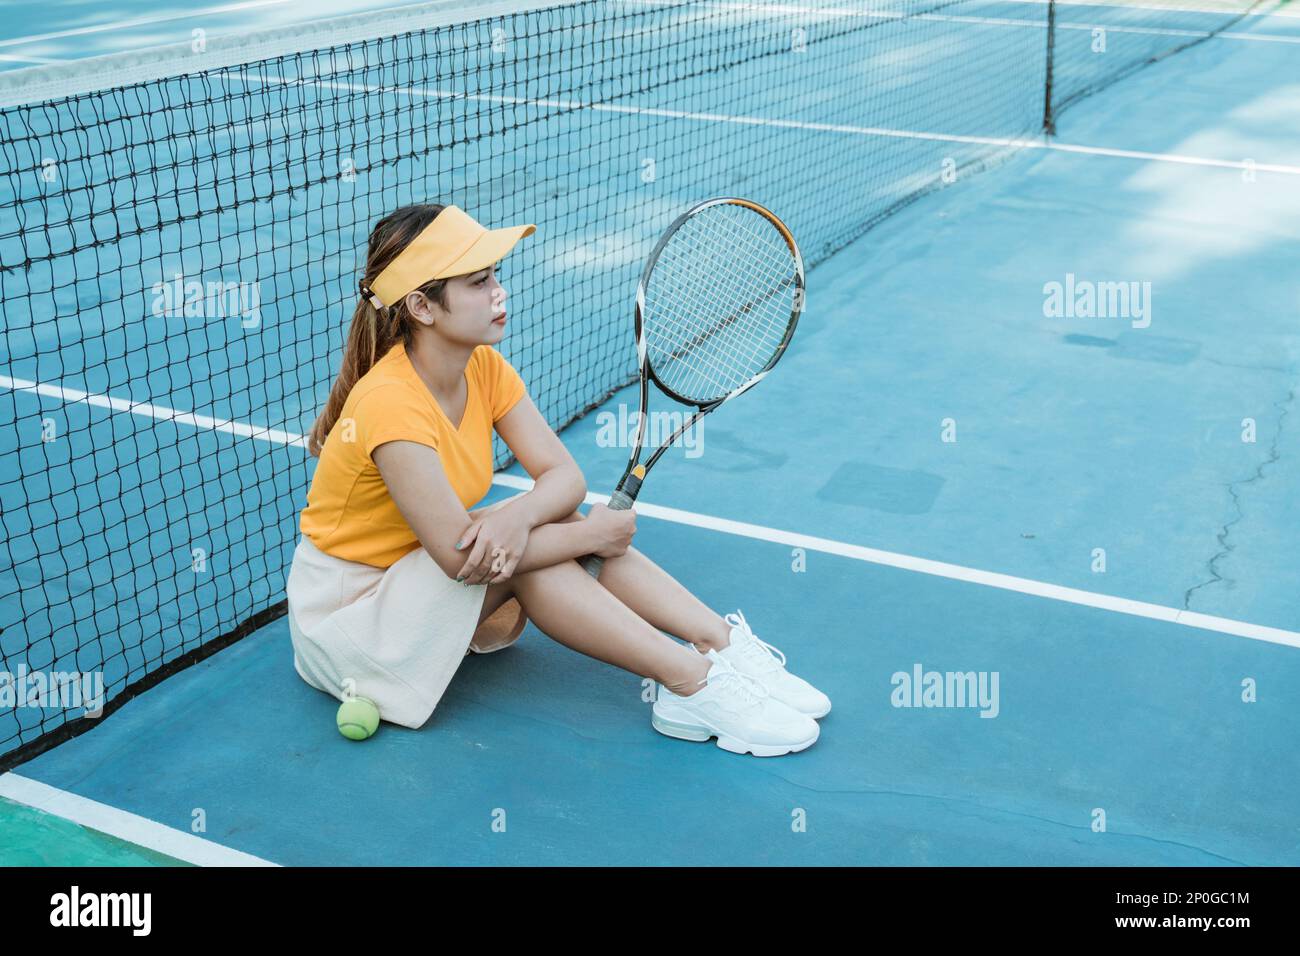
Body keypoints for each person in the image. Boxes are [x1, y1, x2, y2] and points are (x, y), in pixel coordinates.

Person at [286, 203, 830, 756]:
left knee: (544, 526)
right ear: (422, 306)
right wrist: (591, 536)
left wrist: (521, 516)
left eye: (495, 275)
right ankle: (692, 682)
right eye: (478, 282)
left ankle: (722, 644)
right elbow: (459, 560)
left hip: (414, 572)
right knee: (535, 560)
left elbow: (562, 478)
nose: (499, 291)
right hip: (351, 619)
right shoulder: (390, 405)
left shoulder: (483, 367)